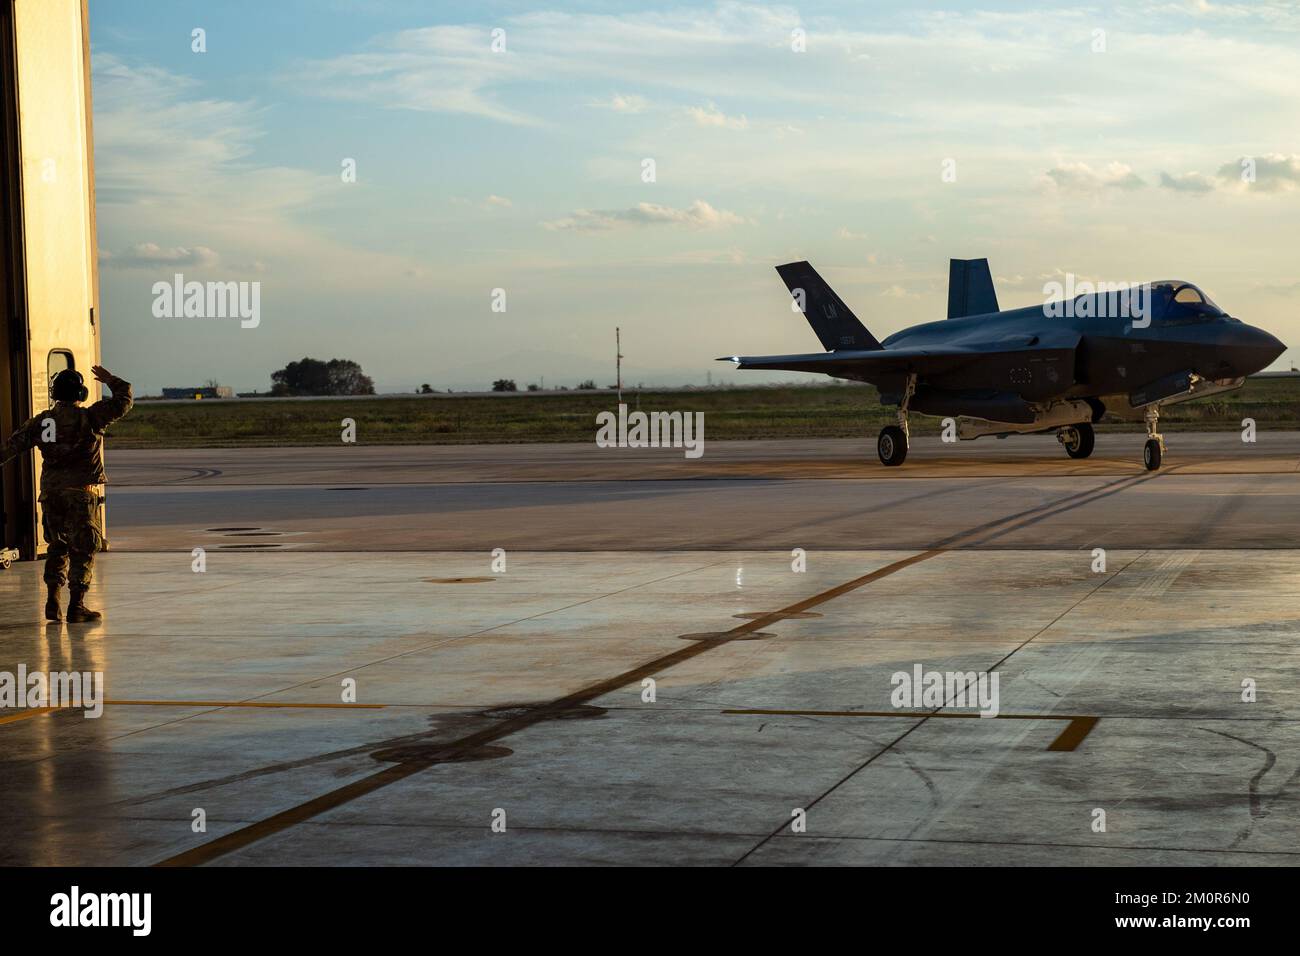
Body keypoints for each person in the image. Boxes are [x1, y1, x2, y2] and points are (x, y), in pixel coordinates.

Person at [0, 365, 133, 623]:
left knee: (57, 546)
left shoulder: (41, 421)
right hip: (80, 494)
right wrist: (108, 379)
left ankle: (53, 599)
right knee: (83, 549)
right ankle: (77, 606)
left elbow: (11, 448)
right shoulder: (91, 417)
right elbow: (125, 398)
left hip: (51, 495)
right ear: (80, 393)